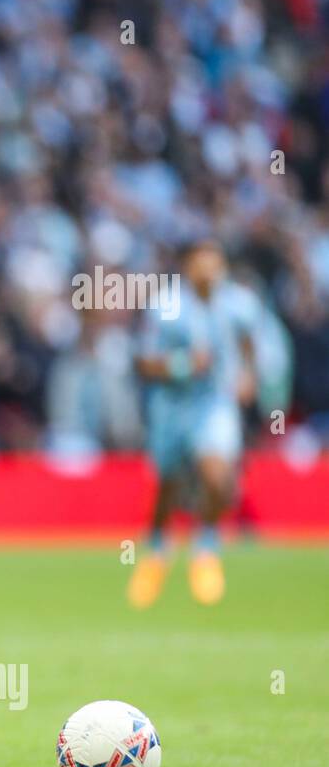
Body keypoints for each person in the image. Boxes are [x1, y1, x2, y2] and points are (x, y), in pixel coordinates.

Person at [127, 240, 257, 607]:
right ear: (186, 266)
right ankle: (156, 550)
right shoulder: (165, 306)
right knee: (168, 485)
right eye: (201, 262)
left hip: (215, 403)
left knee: (218, 476)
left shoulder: (239, 303)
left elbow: (248, 342)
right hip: (172, 405)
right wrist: (183, 365)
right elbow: (144, 364)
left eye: (214, 262)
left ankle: (206, 547)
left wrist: (248, 374)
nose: (208, 270)